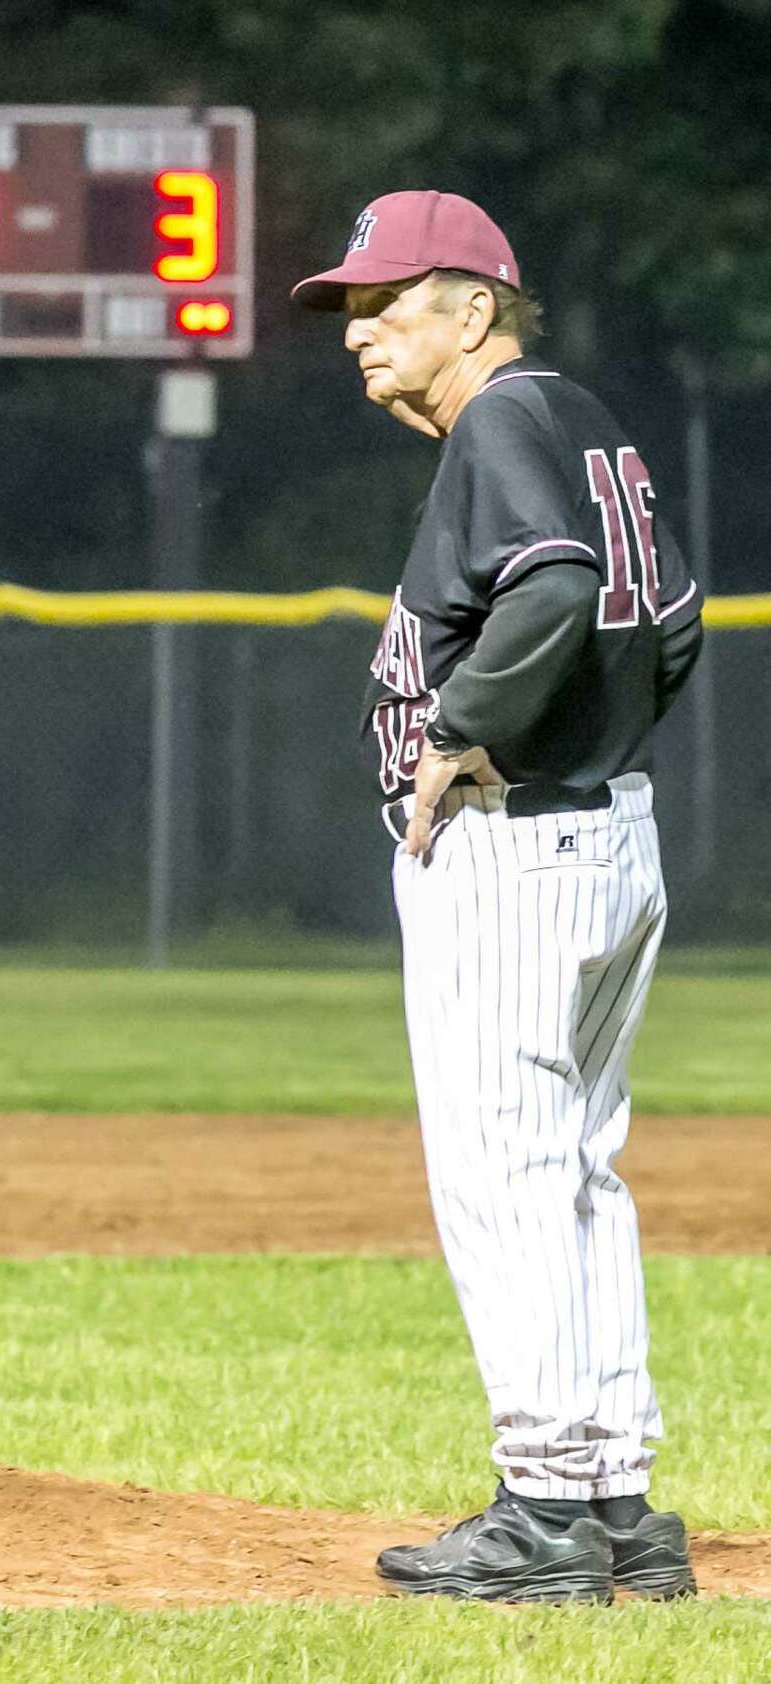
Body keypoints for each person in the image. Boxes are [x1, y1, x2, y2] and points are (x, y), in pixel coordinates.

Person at [292, 190, 703, 1603]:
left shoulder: (507, 419)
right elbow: (674, 617)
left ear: (473, 309)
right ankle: (614, 1505)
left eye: (384, 303)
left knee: (508, 1174)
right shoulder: (579, 422)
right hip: (604, 836)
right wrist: (601, 737)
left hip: (521, 850)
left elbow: (553, 591)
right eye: (352, 309)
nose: (359, 333)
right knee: (579, 1174)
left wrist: (463, 731)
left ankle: (542, 1511)